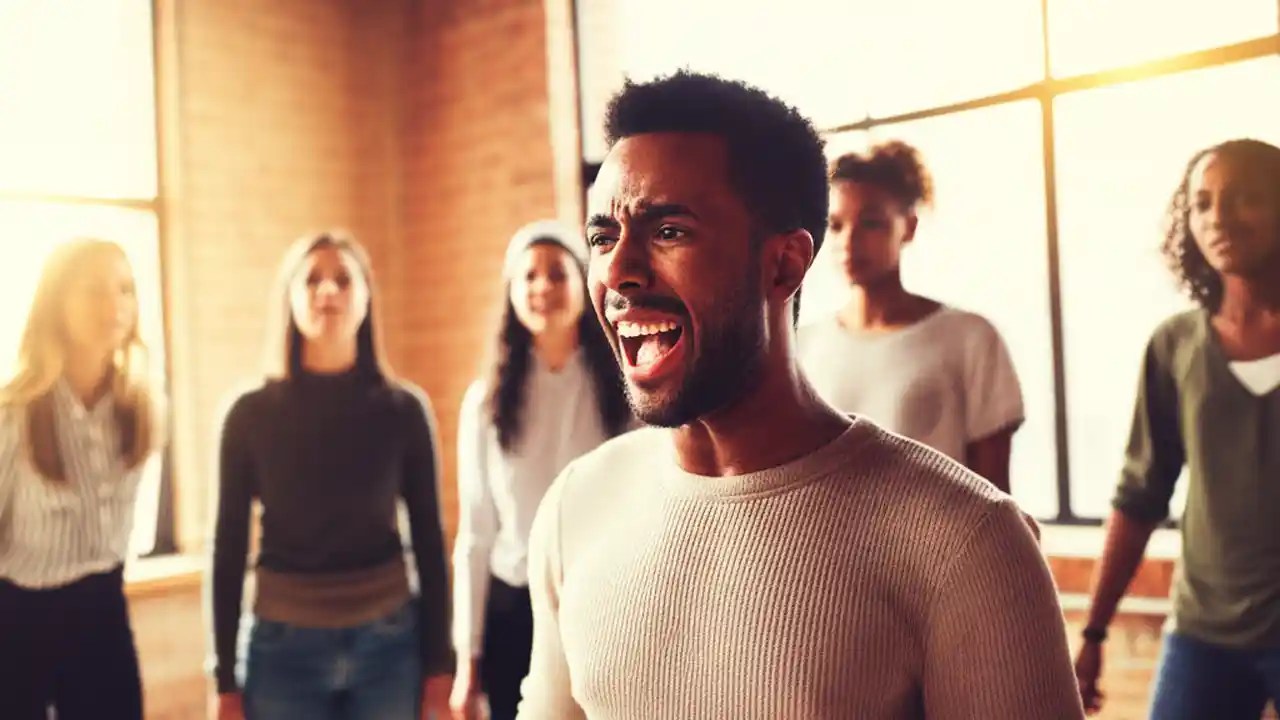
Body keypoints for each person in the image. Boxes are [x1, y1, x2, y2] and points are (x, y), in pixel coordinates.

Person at [516, 71, 1083, 719]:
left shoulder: (966, 542)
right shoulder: (575, 508)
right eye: (602, 237)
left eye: (669, 230)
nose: (617, 271)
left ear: (784, 263)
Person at [1074, 139, 1280, 719]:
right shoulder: (1175, 346)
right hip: (1204, 635)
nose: (1220, 218)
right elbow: (1139, 495)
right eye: (1204, 203)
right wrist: (1093, 634)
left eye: (1245, 199)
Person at [209, 232, 452, 720]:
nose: (328, 291)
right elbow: (228, 547)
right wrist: (223, 682)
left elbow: (429, 539)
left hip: (389, 644)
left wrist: (438, 669)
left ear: (365, 298)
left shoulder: (404, 410)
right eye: (312, 280)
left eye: (343, 279)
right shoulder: (247, 414)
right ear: (290, 300)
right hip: (282, 651)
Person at [449, 220, 631, 720]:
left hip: (604, 601)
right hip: (514, 612)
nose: (542, 287)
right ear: (511, 293)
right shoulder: (485, 403)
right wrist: (467, 660)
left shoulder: (625, 389)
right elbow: (475, 535)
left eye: (556, 273)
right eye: (528, 276)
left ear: (583, 282)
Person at [797, 141, 1024, 492]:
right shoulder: (803, 345)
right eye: (837, 225)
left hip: (942, 546)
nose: (850, 240)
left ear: (909, 227)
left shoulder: (970, 338)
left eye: (871, 223)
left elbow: (998, 500)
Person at [0, 238, 162, 719]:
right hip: (18, 620)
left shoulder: (143, 408)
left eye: (125, 289)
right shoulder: (15, 412)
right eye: (93, 290)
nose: (113, 305)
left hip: (103, 613)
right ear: (57, 304)